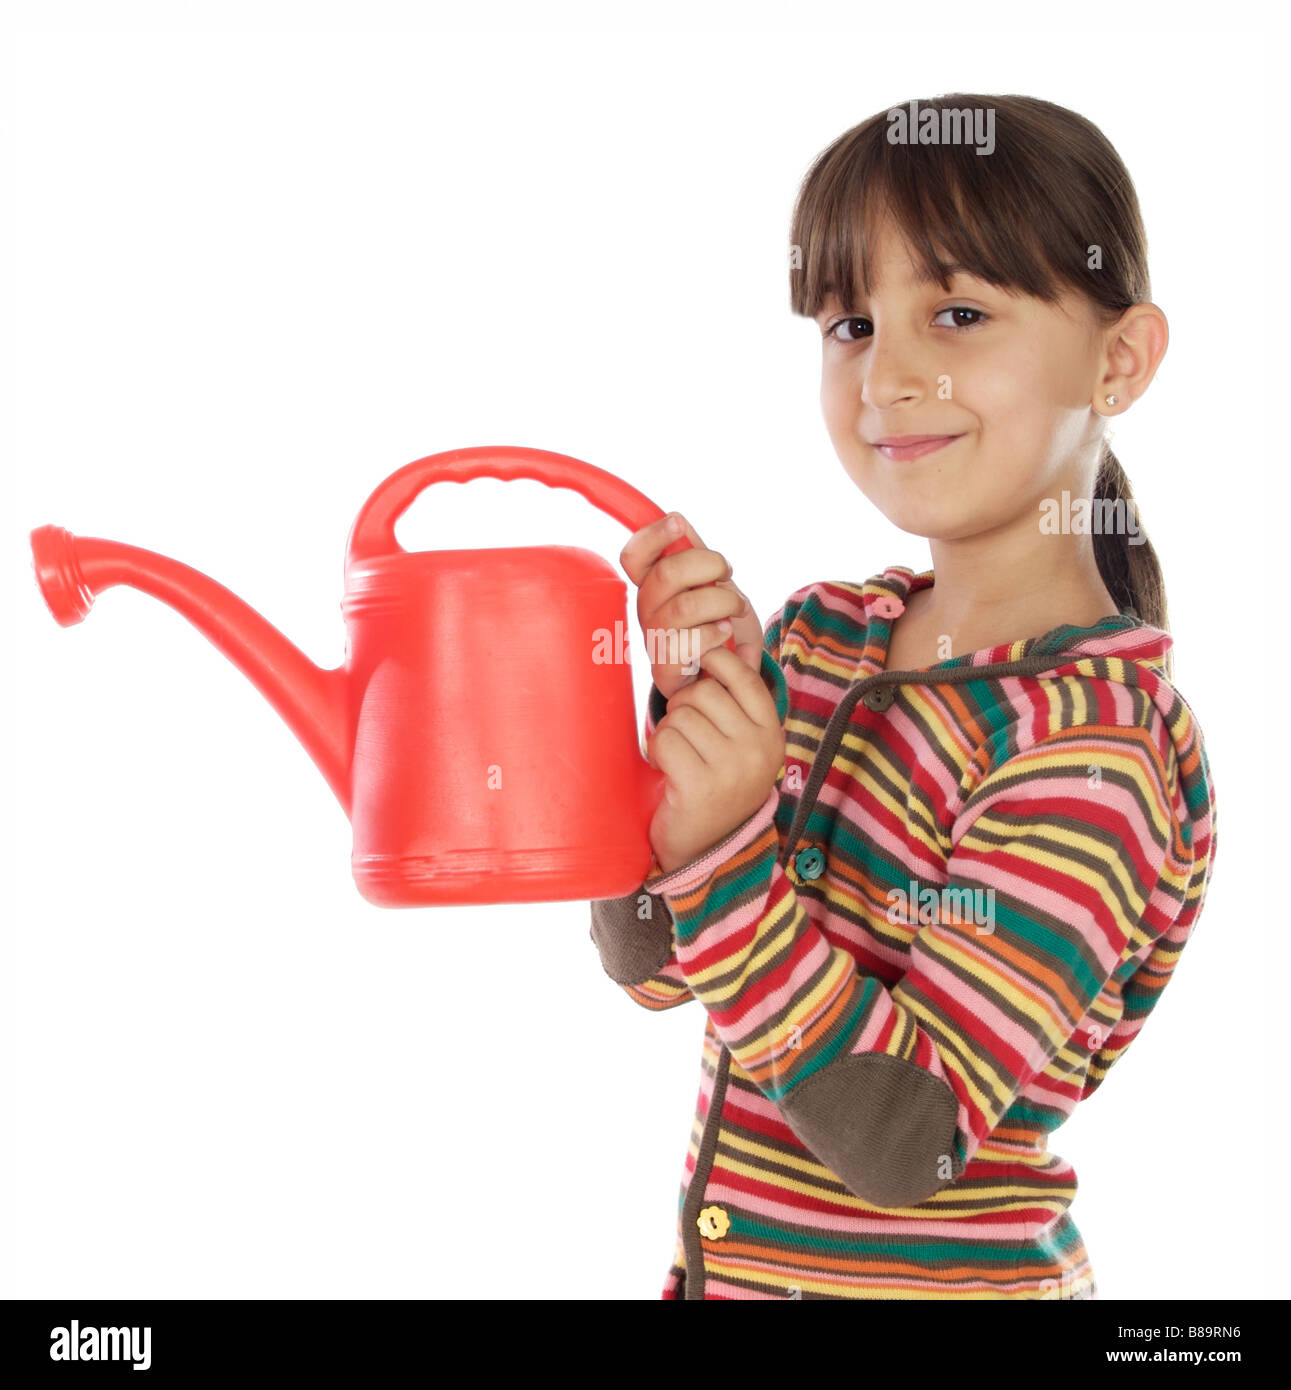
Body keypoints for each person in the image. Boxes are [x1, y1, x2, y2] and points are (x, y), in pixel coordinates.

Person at [589, 93, 1218, 1301]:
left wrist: (723, 845)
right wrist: (678, 747)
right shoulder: (822, 638)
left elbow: (895, 1138)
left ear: (1119, 358)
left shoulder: (1093, 749)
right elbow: (653, 968)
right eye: (851, 322)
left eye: (960, 313)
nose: (888, 374)